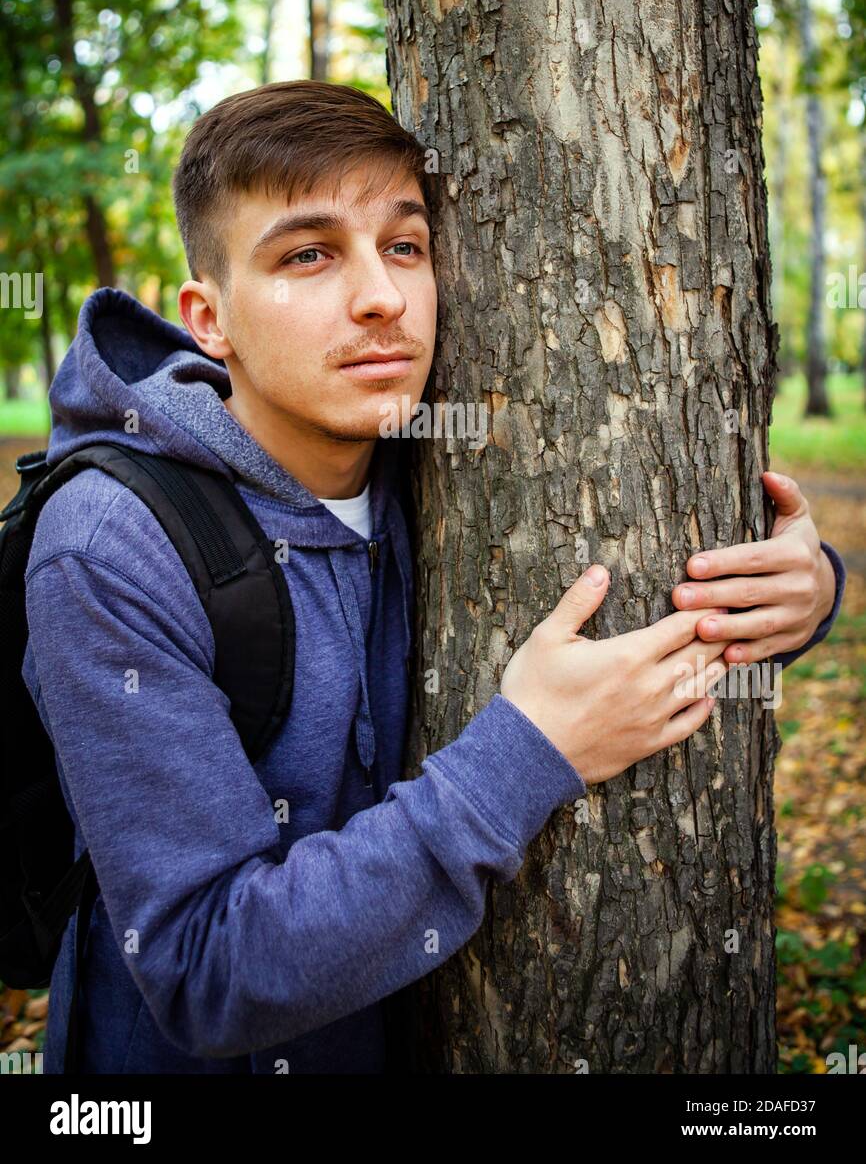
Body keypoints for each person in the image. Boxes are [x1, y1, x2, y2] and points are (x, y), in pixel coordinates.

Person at [23, 80, 847, 1074]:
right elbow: (204, 966)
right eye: (307, 254)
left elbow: (647, 626)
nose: (379, 296)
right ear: (210, 317)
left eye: (403, 246)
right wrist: (523, 754)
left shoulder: (453, 468)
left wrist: (795, 592)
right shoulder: (114, 542)